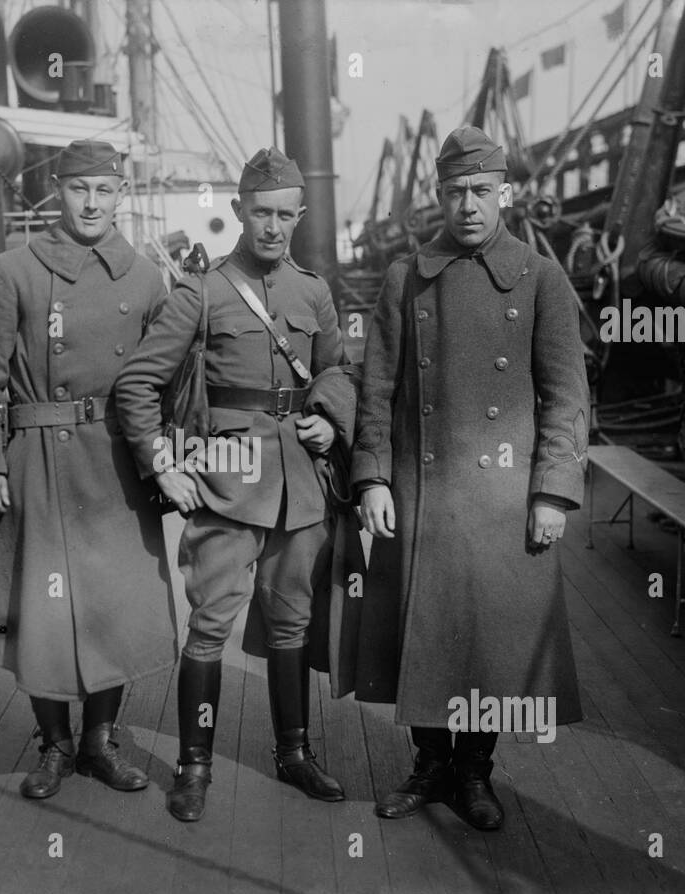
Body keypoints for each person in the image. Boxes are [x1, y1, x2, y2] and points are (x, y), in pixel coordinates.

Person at [351, 125, 590, 831]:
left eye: (481, 191)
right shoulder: (407, 277)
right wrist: (371, 479)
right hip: (421, 490)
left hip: (501, 493)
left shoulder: (541, 277)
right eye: (454, 192)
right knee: (424, 631)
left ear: (506, 193)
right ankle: (429, 767)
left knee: (487, 638)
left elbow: (567, 392)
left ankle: (474, 773)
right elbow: (376, 390)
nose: (467, 206)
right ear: (439, 197)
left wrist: (552, 489)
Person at [115, 147, 349, 822]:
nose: (272, 227)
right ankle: (194, 765)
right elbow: (139, 383)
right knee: (212, 626)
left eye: (285, 215)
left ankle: (294, 753)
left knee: (291, 623)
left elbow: (336, 371)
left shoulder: (313, 292)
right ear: (240, 212)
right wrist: (163, 461)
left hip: (300, 483)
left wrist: (330, 423)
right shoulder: (203, 290)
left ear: (299, 216)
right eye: (261, 214)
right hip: (227, 479)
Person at [0, 140, 176, 800]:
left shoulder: (143, 278)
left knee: (112, 604)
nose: (92, 202)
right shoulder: (15, 270)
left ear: (121, 196)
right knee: (40, 608)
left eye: (105, 190)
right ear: (58, 192)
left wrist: (166, 455)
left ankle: (99, 741)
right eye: (80, 189)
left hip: (114, 462)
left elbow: (166, 379)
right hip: (38, 459)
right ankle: (53, 744)